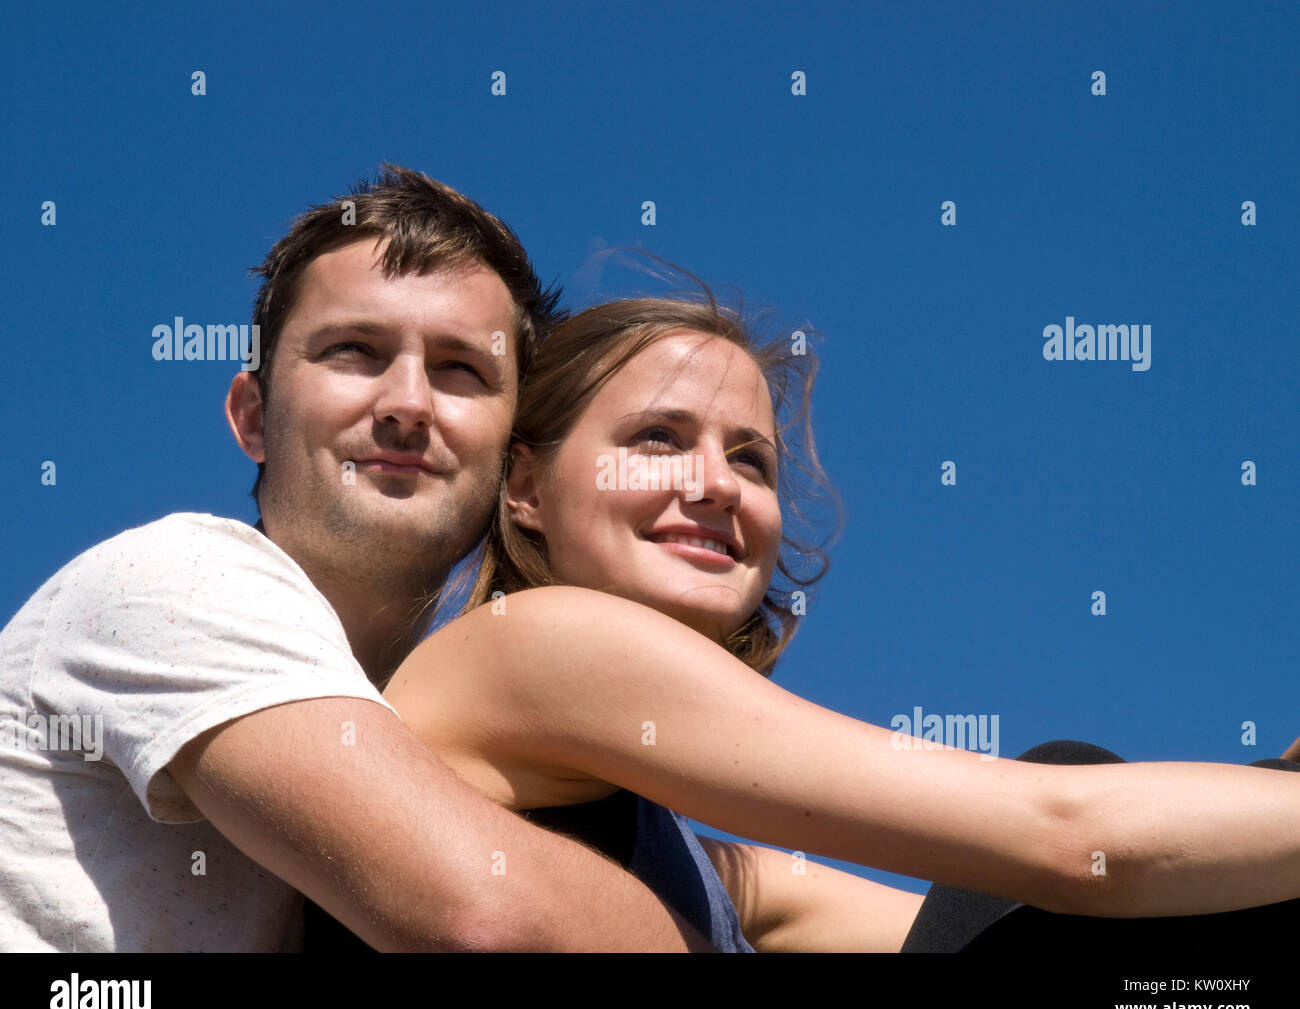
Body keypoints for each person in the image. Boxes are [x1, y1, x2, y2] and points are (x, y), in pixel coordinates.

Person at [364, 294, 1300, 951]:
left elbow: (982, 923)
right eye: (658, 438)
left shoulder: (701, 868)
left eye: (751, 461)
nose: (716, 484)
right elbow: (1072, 841)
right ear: (525, 487)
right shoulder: (531, 641)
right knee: (1066, 771)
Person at [0, 165, 717, 952]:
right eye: (354, 351)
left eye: (460, 370)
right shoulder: (175, 577)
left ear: (516, 461)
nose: (408, 403)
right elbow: (484, 917)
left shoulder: (437, 733)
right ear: (253, 417)